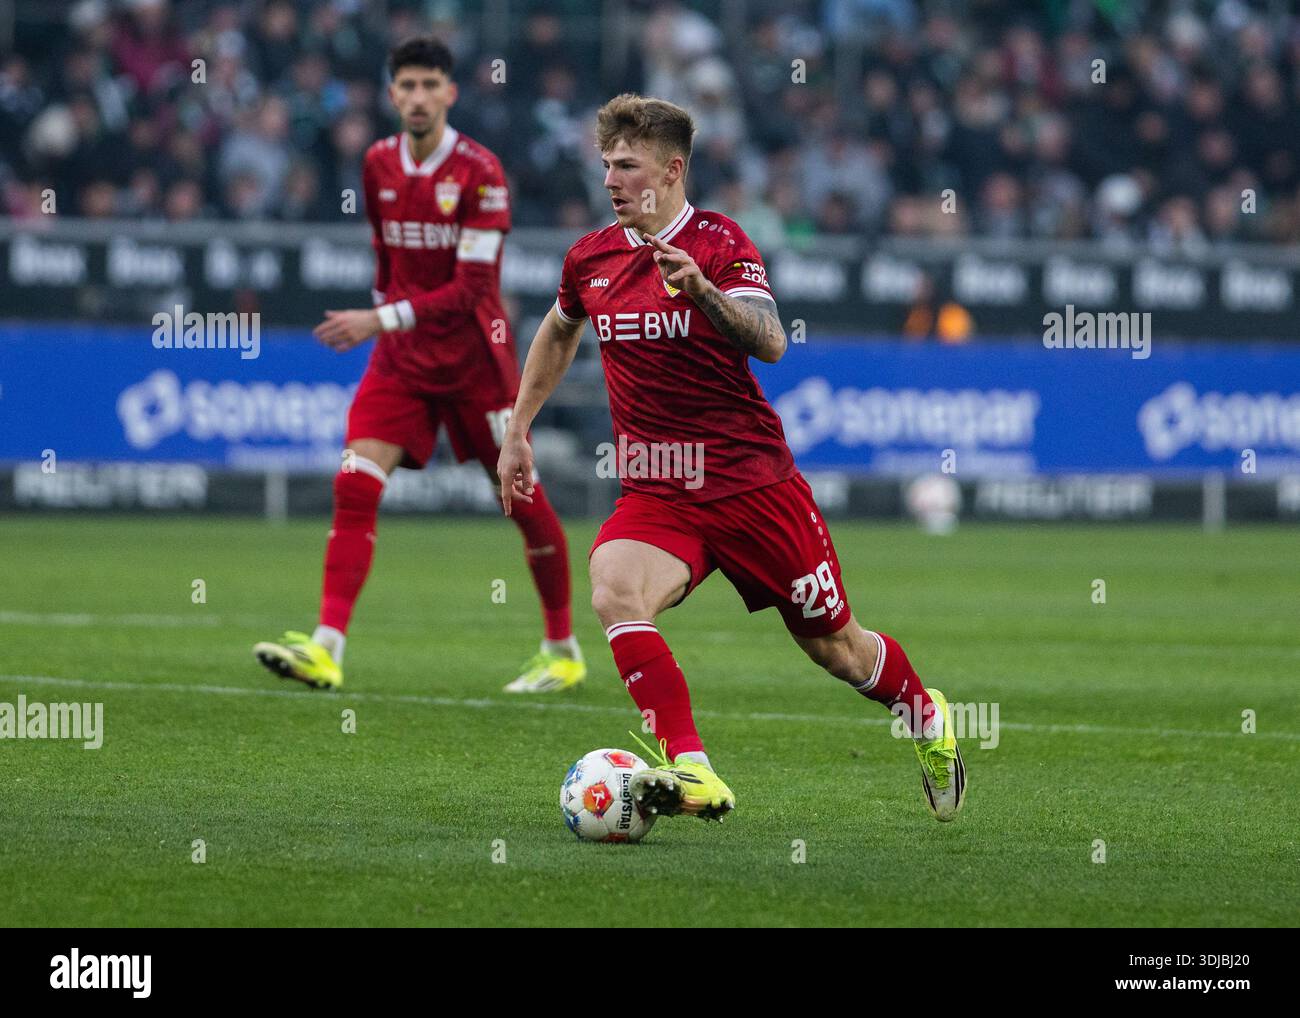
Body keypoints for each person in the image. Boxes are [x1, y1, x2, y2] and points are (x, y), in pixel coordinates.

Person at [497, 93, 966, 823]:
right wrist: (519, 426)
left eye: (628, 166)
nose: (612, 180)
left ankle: (924, 714)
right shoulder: (589, 257)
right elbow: (560, 331)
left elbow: (772, 342)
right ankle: (692, 767)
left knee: (838, 651)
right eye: (607, 166)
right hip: (659, 489)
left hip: (754, 486)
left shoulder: (719, 243)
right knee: (615, 589)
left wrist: (706, 293)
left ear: (673, 169)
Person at [254, 37, 584, 694]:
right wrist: (385, 313)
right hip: (403, 360)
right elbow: (385, 255)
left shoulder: (482, 172)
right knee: (354, 482)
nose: (416, 97)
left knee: (518, 498)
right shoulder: (377, 162)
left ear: (450, 93)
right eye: (405, 85)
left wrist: (378, 319)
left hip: (474, 361)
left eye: (429, 84)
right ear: (392, 93)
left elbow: (468, 289)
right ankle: (326, 647)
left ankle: (562, 648)